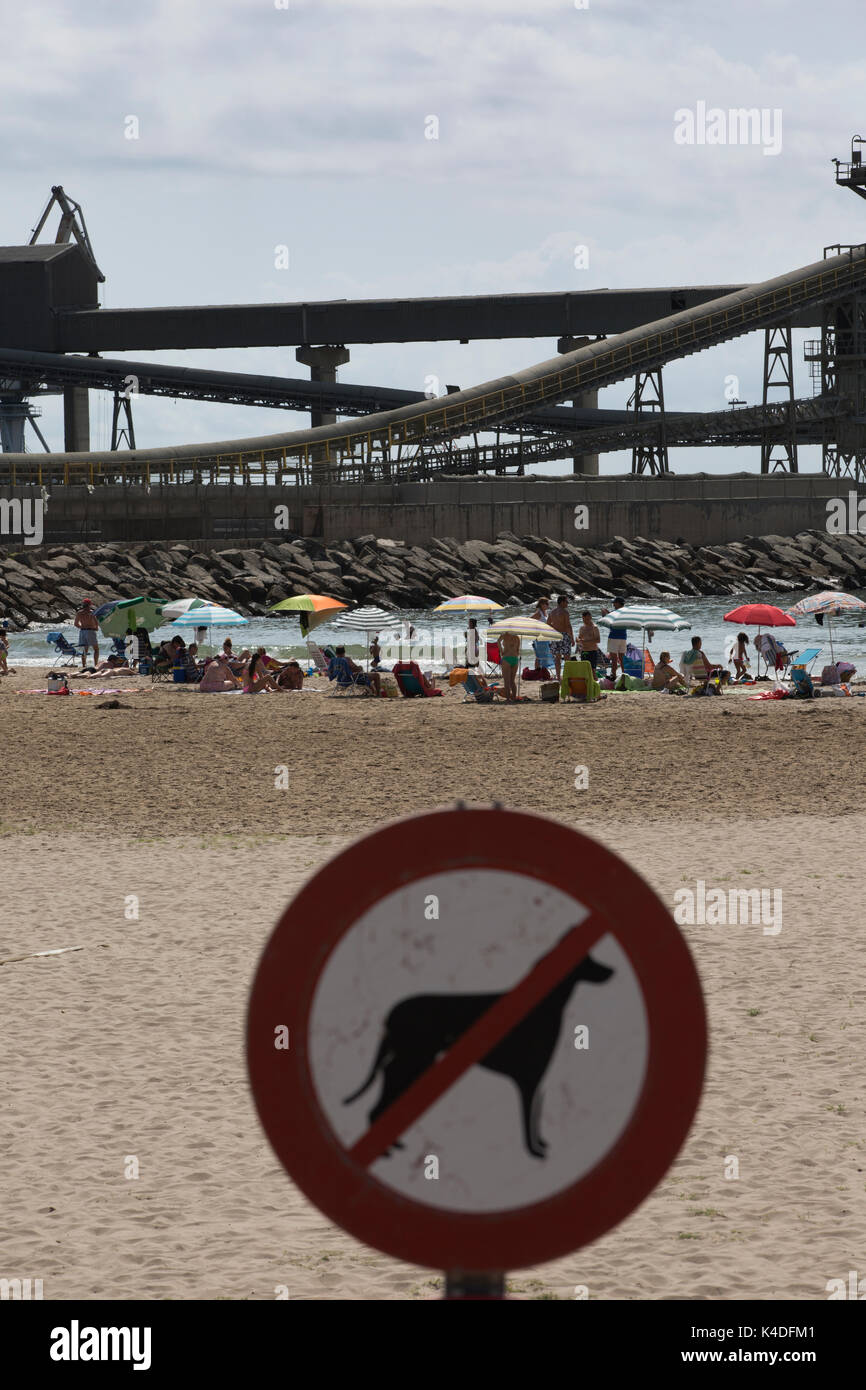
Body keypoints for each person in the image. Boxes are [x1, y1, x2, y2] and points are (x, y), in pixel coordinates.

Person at [547, 595, 574, 681]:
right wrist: (572, 638)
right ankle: (568, 676)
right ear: (562, 602)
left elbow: (547, 623)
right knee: (567, 658)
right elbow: (568, 626)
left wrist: (555, 627)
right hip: (564, 635)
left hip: (555, 635)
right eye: (566, 602)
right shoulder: (565, 612)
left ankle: (558, 677)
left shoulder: (552, 612)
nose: (567, 603)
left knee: (557, 658)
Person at [603, 597, 628, 683]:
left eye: (614, 603)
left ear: (618, 603)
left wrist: (605, 614)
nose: (613, 604)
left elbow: (609, 622)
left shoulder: (614, 613)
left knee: (614, 658)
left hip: (614, 636)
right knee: (622, 658)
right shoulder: (626, 612)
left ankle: (613, 675)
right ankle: (624, 675)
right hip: (623, 637)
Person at [74, 598, 100, 669]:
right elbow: (96, 623)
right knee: (96, 649)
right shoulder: (91, 612)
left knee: (84, 649)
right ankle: (96, 664)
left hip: (82, 631)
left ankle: (84, 665)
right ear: (90, 605)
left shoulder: (79, 613)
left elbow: (76, 624)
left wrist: (82, 627)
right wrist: (96, 628)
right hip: (90, 631)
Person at [498, 629, 521, 701]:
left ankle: (508, 698)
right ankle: (514, 697)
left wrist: (501, 651)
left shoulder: (504, 635)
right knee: (512, 681)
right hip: (515, 659)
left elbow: (498, 641)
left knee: (506, 681)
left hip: (506, 658)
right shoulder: (517, 637)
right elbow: (518, 650)